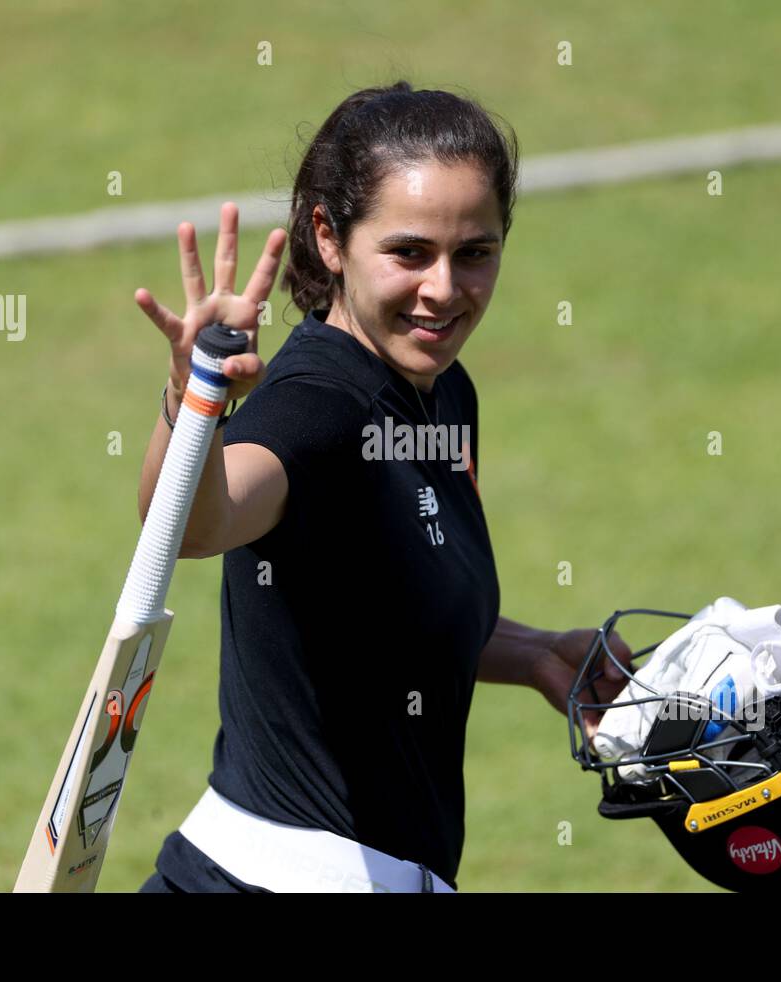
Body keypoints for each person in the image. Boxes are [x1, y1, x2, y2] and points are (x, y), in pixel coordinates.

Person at [131, 81, 632, 893]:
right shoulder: (316, 407)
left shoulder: (443, 392)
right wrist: (197, 399)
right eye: (409, 253)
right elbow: (190, 526)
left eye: (475, 252)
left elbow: (389, 608)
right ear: (329, 237)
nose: (444, 288)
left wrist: (542, 655)